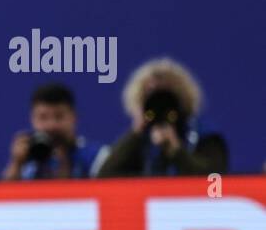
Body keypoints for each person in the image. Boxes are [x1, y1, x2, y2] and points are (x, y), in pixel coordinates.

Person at [96, 58, 228, 177]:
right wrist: (135, 133)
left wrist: (177, 151)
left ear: (181, 97)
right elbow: (104, 177)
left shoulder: (203, 135)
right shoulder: (139, 141)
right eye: (152, 97)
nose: (159, 105)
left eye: (165, 97)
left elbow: (215, 182)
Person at [1, 82, 109, 180]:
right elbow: (5, 197)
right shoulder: (26, 159)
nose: (51, 125)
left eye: (59, 116)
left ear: (74, 117)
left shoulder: (99, 156)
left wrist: (64, 159)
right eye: (43, 117)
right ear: (32, 119)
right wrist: (16, 164)